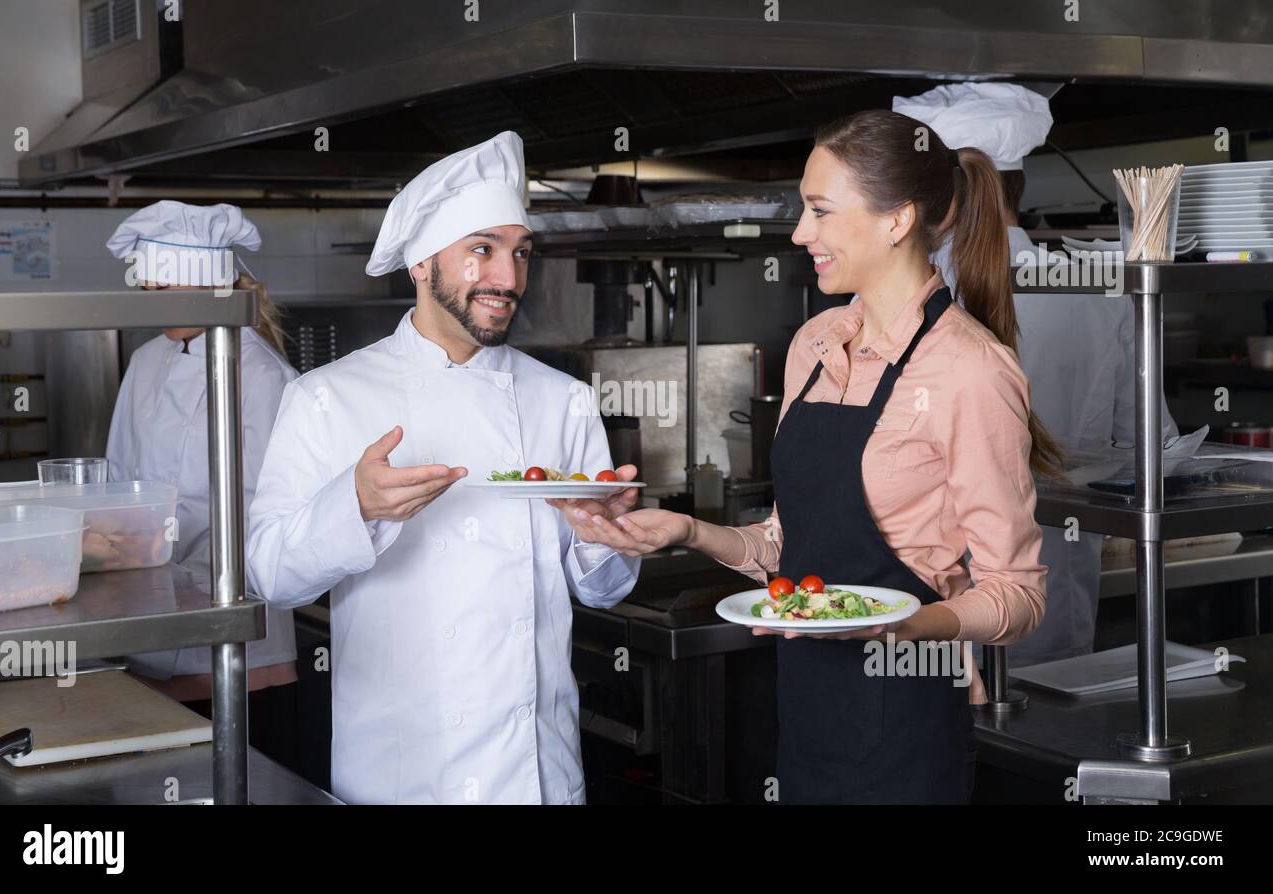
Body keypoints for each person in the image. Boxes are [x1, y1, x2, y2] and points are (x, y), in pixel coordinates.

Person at [567, 110, 1051, 804]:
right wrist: (688, 532)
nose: (799, 233)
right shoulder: (815, 345)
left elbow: (1019, 593)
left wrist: (909, 624)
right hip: (806, 707)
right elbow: (790, 544)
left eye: (820, 210)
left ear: (896, 221)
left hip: (906, 715)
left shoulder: (970, 370)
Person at [246, 132, 641, 805]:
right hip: (404, 774)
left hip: (538, 771)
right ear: (423, 264)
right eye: (481, 250)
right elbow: (268, 575)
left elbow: (601, 591)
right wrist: (356, 506)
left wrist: (608, 540)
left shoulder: (562, 400)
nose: (509, 278)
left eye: (520, 253)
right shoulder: (328, 397)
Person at [895, 83, 1180, 664]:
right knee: (1036, 744)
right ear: (1016, 187)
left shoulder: (900, 296)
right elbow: (1153, 445)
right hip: (1053, 602)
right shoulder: (1097, 291)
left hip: (928, 611)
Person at [104, 202, 300, 760]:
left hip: (236, 643)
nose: (156, 298)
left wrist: (163, 543)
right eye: (151, 286)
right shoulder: (144, 360)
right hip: (148, 625)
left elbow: (273, 515)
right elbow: (119, 474)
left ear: (212, 284)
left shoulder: (265, 375)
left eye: (169, 285)